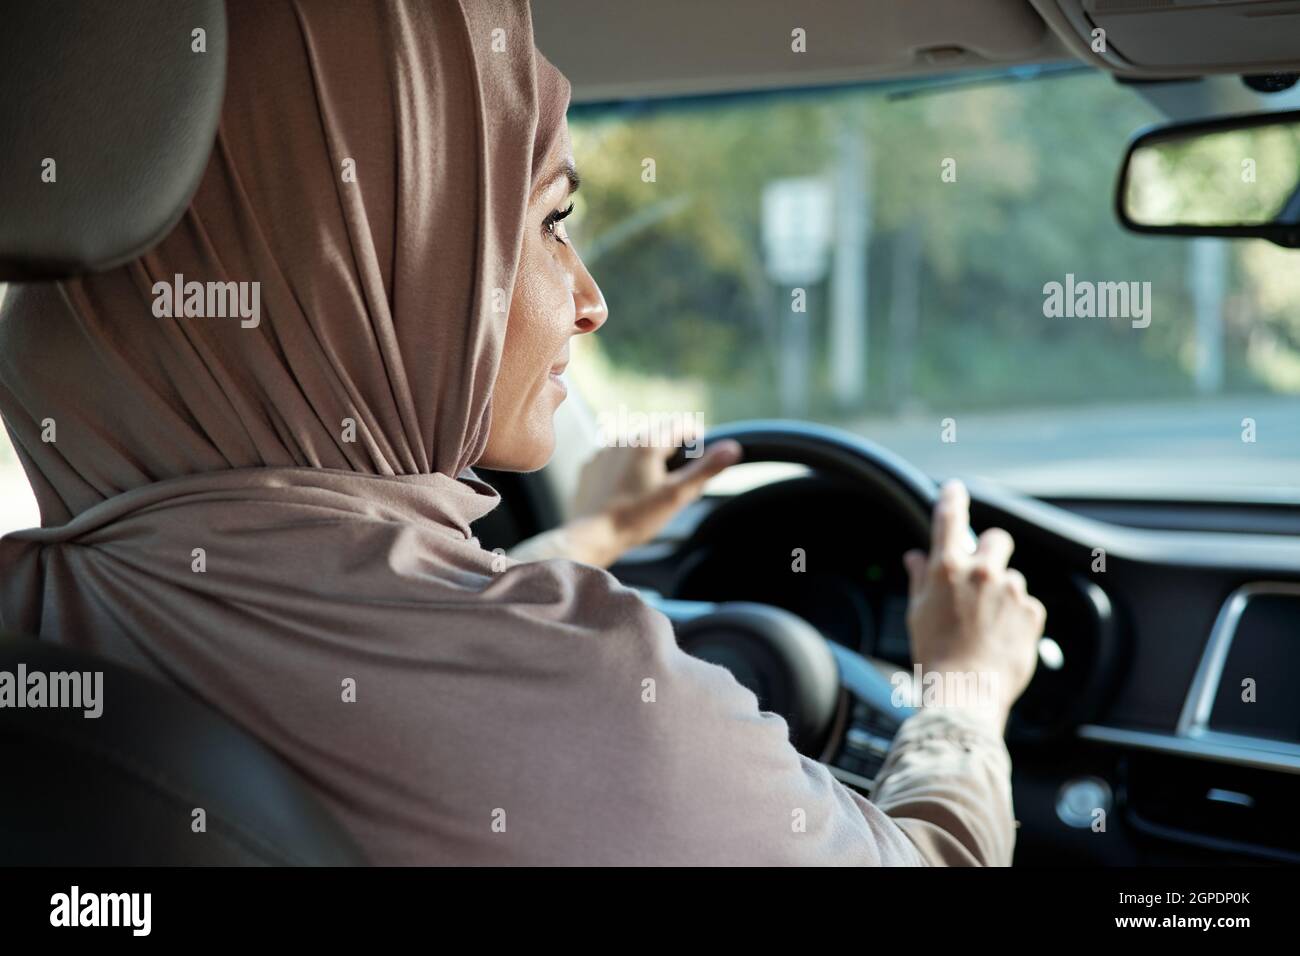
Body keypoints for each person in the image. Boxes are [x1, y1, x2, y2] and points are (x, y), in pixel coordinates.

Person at [0, 0, 1044, 865]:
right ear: (364, 268)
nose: (589, 300)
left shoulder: (33, 614)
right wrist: (965, 689)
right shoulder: (603, 700)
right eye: (549, 221)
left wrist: (591, 538)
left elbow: (349, 622)